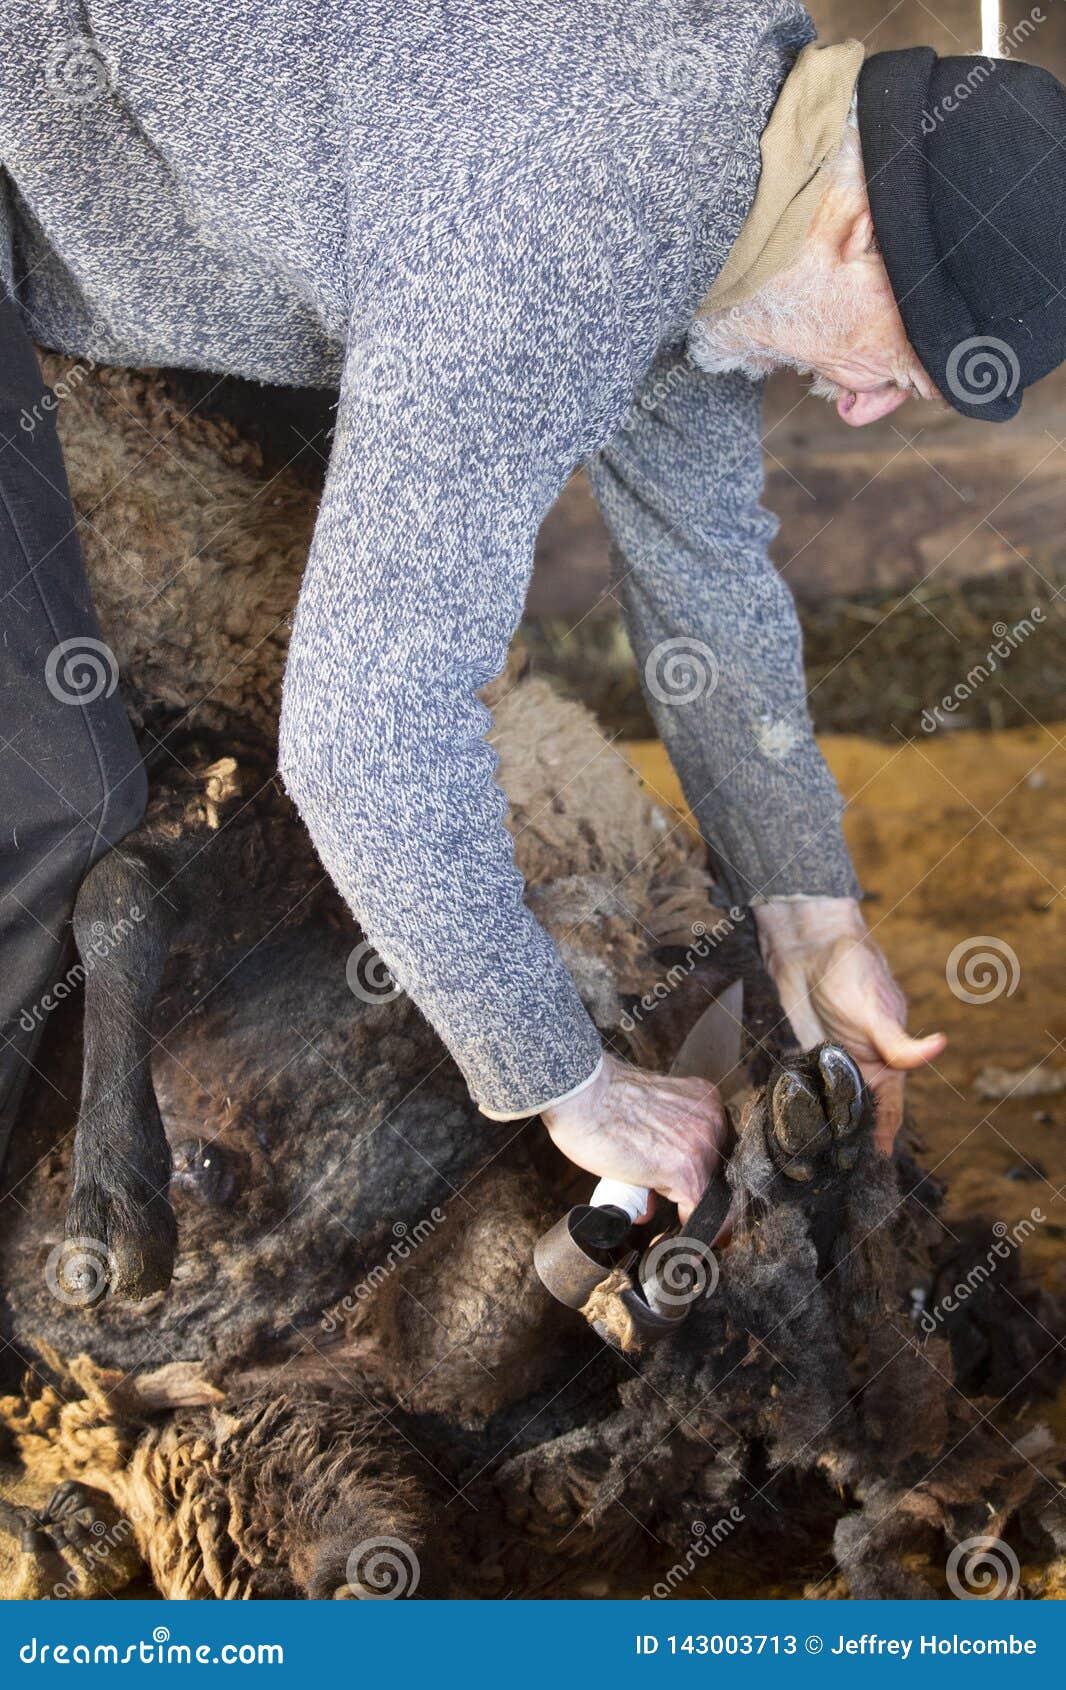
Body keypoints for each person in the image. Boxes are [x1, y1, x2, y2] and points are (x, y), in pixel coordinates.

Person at [2, 4, 1061, 1219]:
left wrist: (812, 919)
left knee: (279, 602)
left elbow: (706, 579)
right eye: (901, 366)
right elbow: (364, 737)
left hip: (171, 165)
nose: (866, 409)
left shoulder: (744, 163)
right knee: (49, 800)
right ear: (861, 228)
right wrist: (566, 1082)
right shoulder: (558, 228)